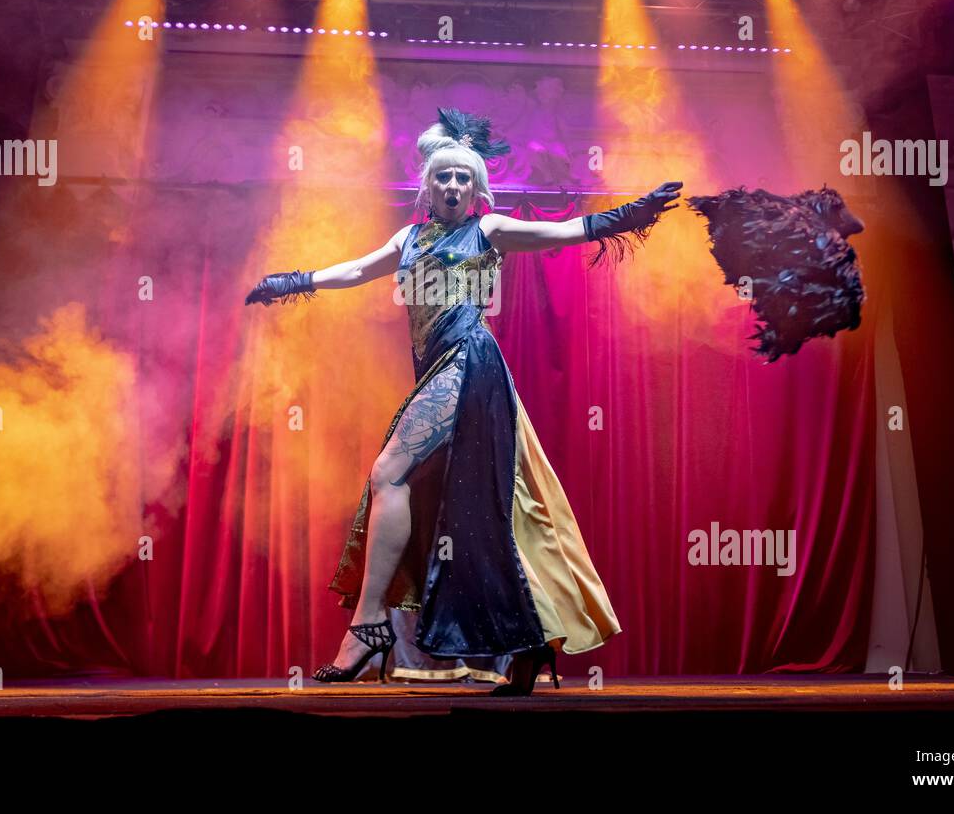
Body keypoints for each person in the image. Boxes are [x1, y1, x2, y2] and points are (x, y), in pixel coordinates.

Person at [245, 108, 682, 695]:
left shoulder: (491, 230)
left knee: (388, 472)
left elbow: (568, 232)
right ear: (427, 186)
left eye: (463, 179)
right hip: (434, 375)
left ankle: (368, 624)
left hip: (468, 363)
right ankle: (530, 644)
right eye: (442, 177)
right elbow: (354, 270)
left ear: (477, 189)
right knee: (490, 515)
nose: (452, 186)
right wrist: (293, 282)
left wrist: (634, 214)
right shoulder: (409, 238)